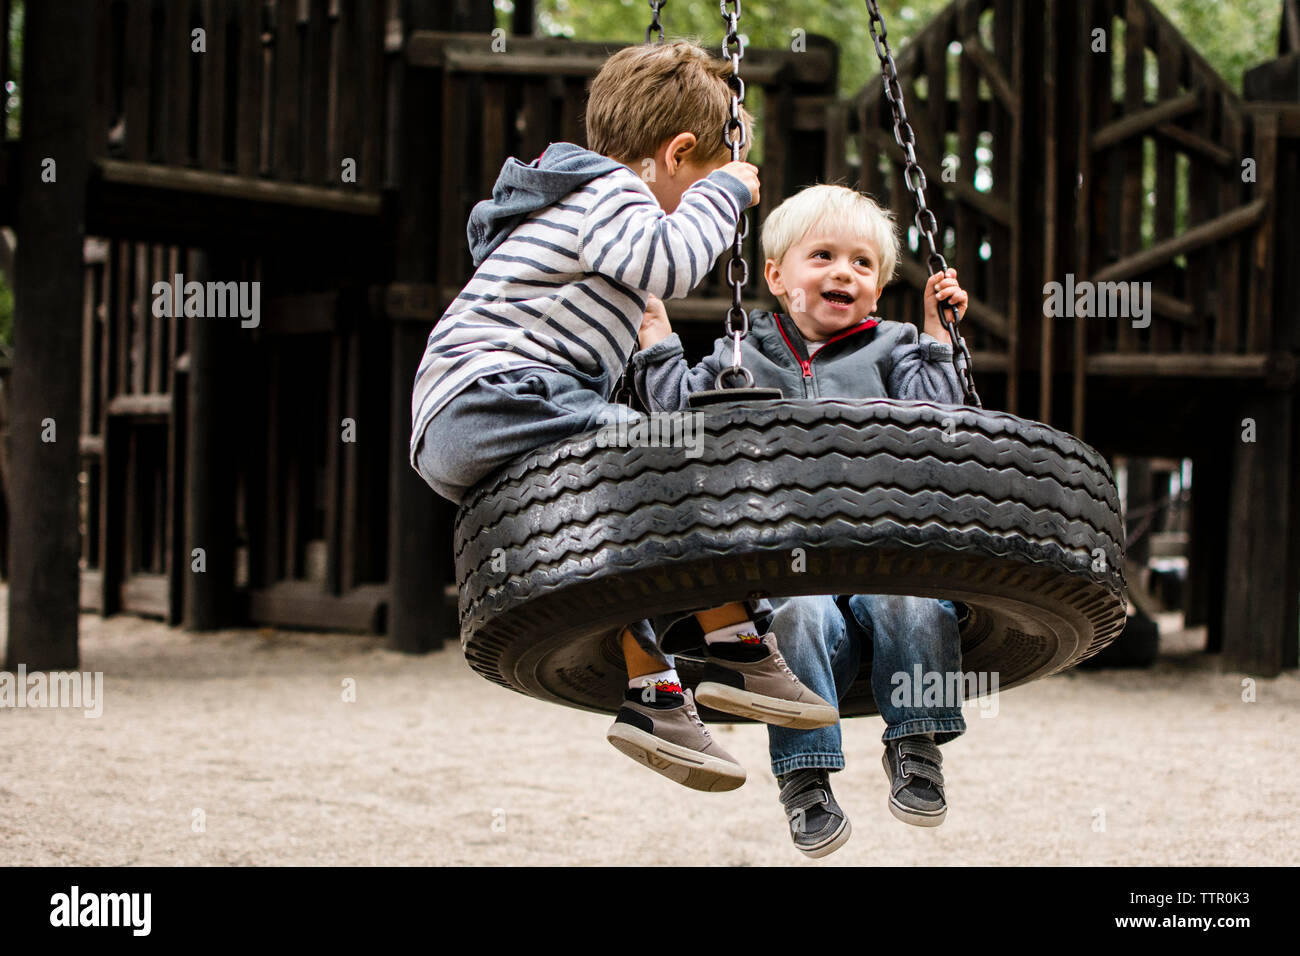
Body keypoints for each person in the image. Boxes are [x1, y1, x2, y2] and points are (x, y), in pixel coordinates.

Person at [409, 41, 834, 795]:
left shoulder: (576, 205)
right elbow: (669, 259)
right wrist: (726, 193)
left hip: (465, 420)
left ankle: (654, 699)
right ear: (676, 153)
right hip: (497, 392)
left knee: (610, 531)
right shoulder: (610, 190)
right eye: (696, 180)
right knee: (665, 458)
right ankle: (738, 642)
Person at [632, 183, 971, 856]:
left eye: (863, 264)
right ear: (776, 275)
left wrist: (939, 337)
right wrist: (656, 340)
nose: (844, 272)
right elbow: (675, 422)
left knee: (914, 600)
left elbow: (942, 427)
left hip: (884, 555)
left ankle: (917, 745)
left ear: (877, 289)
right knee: (795, 621)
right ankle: (806, 781)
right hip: (792, 570)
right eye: (823, 256)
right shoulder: (739, 357)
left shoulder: (897, 348)